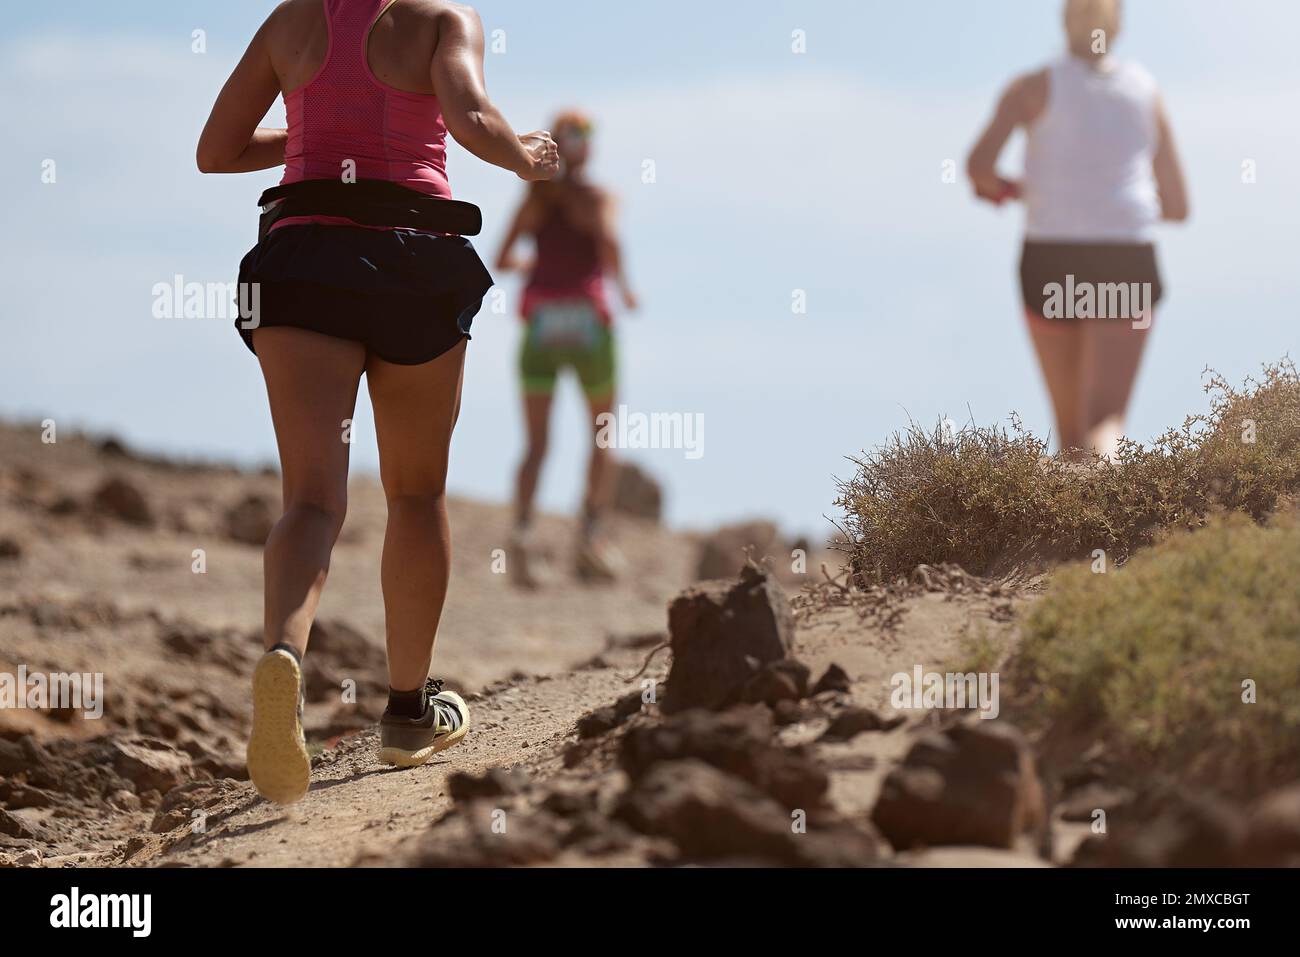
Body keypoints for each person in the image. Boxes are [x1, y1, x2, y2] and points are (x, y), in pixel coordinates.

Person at [196, 0, 558, 804]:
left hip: (299, 262)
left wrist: (309, 141)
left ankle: (285, 657)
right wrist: (526, 158)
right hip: (413, 261)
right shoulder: (441, 17)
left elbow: (213, 152)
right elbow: (469, 117)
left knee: (313, 501)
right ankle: (404, 712)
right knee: (417, 493)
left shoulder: (291, 22)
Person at [966, 0, 1189, 459]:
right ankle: (1113, 522)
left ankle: (1067, 529)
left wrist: (1012, 191)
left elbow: (979, 168)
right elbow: (1179, 206)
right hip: (1125, 259)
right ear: (1117, 25)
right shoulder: (1146, 91)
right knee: (1105, 425)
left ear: (1065, 22)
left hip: (1051, 259)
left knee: (1069, 438)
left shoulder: (1031, 87)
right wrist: (1126, 206)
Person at [495, 110, 638, 586]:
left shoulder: (535, 199)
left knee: (536, 443)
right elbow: (611, 242)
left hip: (540, 323)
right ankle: (592, 538)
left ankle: (521, 532)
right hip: (588, 320)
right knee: (601, 433)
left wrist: (537, 263)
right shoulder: (599, 197)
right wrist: (625, 287)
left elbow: (501, 257)